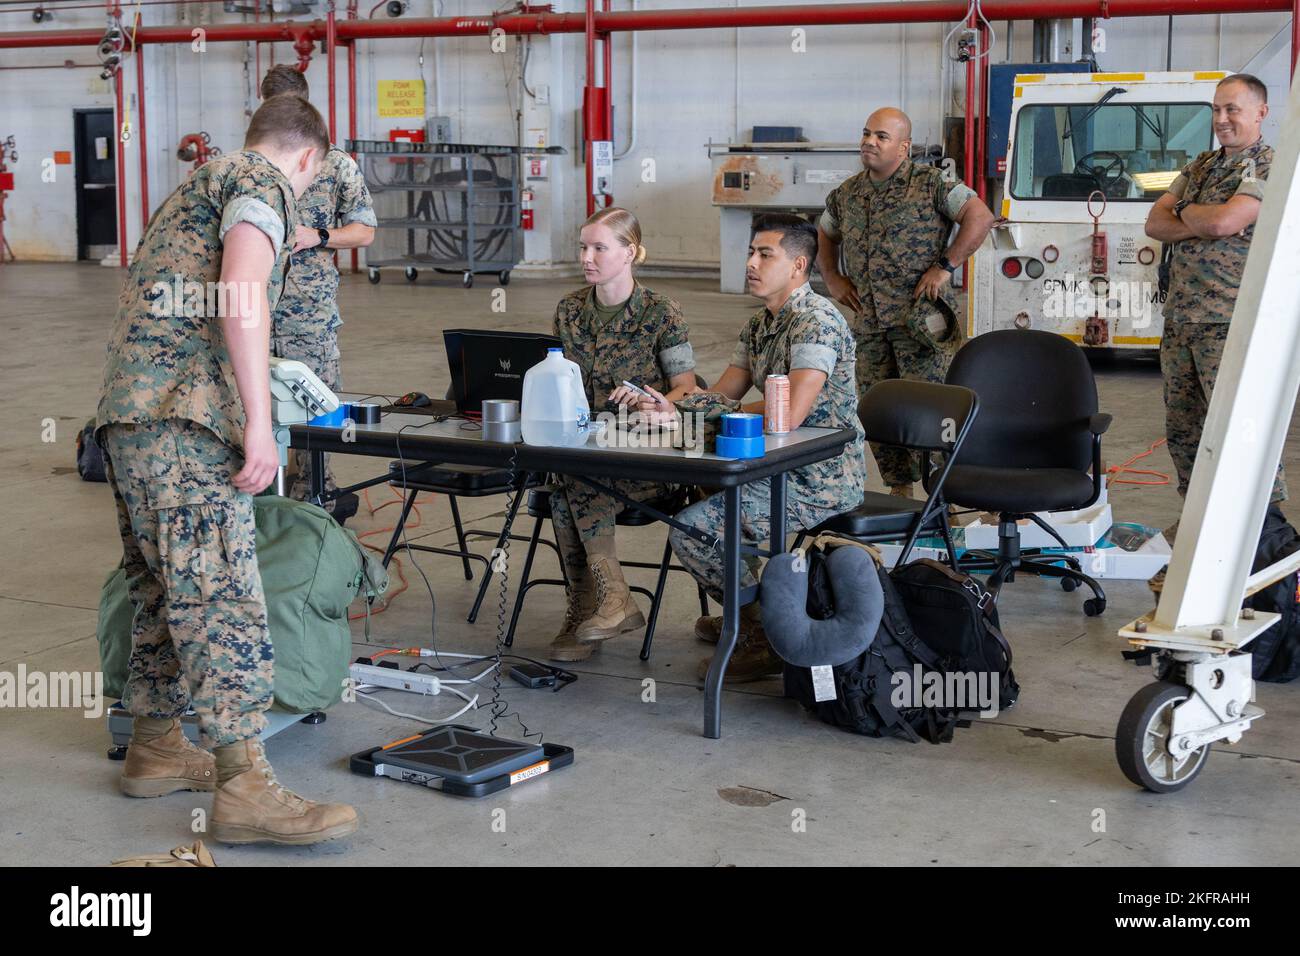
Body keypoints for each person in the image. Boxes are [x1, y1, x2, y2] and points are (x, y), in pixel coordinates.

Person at [96, 95, 358, 846]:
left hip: (130, 415)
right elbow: (244, 292)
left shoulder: (198, 182)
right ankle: (245, 790)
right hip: (185, 421)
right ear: (308, 157)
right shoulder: (263, 183)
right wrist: (255, 420)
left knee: (159, 586)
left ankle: (153, 747)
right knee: (221, 596)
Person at [644, 214, 866, 682]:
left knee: (695, 530)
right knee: (700, 495)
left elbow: (791, 412)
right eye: (751, 252)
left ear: (799, 266)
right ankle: (750, 613)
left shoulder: (817, 321)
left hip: (819, 477)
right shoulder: (759, 325)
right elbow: (726, 395)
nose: (751, 263)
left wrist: (707, 412)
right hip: (768, 464)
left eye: (766, 255)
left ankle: (764, 631)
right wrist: (664, 403)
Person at [1144, 73, 1282, 590]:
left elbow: (1227, 224)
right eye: (1217, 110)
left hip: (1230, 322)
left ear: (1261, 112)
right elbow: (1154, 224)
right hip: (1181, 322)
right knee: (1186, 432)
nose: (1222, 119)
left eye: (1234, 110)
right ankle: (1198, 525)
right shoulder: (1201, 165)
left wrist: (1185, 211)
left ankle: (1263, 533)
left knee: (1240, 432)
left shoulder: (1270, 163)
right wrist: (1193, 213)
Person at [546, 207, 700, 663]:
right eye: (583, 247)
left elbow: (687, 387)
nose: (587, 257)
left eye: (599, 247)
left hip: (647, 455)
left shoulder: (660, 312)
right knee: (567, 486)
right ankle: (595, 605)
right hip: (589, 445)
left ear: (629, 252)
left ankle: (603, 603)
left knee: (575, 481)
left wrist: (653, 400)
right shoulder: (570, 310)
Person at [817, 107, 993, 497]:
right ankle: (900, 488)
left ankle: (946, 492)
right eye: (866, 133)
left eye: (881, 136)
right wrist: (832, 276)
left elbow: (980, 216)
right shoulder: (847, 194)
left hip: (920, 323)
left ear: (904, 146)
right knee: (878, 410)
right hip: (870, 325)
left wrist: (946, 266)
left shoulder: (931, 184)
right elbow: (825, 232)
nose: (869, 141)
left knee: (935, 409)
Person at [261, 65, 377, 514]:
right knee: (252, 410)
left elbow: (365, 232)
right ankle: (259, 505)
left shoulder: (335, 163)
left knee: (317, 413)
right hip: (253, 310)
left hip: (309, 314)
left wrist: (320, 236)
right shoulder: (250, 164)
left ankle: (315, 507)